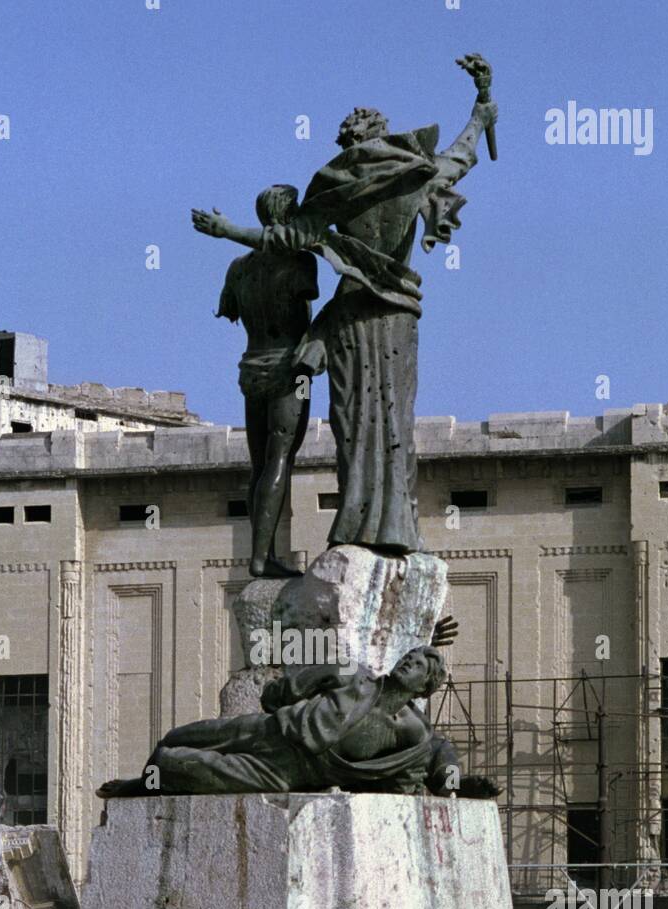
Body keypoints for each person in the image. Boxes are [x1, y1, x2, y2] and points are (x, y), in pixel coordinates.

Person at [192, 54, 498, 556]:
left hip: (353, 317)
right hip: (396, 312)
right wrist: (482, 104)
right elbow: (463, 155)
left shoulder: (338, 185)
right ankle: (395, 526)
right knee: (390, 416)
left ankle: (355, 525)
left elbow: (287, 237)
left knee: (352, 421)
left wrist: (227, 231)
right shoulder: (417, 174)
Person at [96, 644, 494, 799]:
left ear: (427, 686)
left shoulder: (414, 734)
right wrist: (279, 694)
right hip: (272, 730)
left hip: (292, 772)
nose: (410, 660)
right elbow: (287, 688)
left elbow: (441, 761)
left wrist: (460, 784)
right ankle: (143, 779)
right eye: (410, 656)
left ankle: (149, 785)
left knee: (194, 766)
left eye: (421, 663)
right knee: (182, 735)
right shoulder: (351, 674)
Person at [215, 184, 319, 578]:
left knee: (258, 466)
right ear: (289, 217)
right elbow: (308, 295)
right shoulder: (301, 263)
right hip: (289, 370)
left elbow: (228, 311)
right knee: (281, 459)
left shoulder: (238, 268)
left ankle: (261, 553)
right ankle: (262, 558)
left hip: (250, 368)